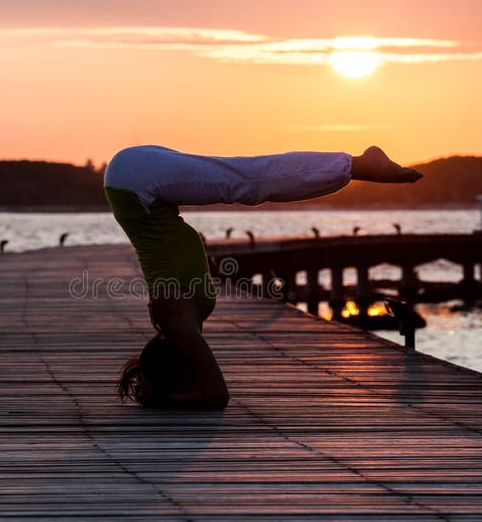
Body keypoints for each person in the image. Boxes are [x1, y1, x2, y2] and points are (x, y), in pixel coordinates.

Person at [104, 144, 423, 410]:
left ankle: (357, 165)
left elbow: (216, 396)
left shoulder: (173, 318)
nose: (199, 368)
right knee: (242, 180)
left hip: (135, 181)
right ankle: (354, 165)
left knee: (245, 181)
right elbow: (207, 386)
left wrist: (163, 400)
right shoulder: (181, 323)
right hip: (140, 185)